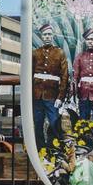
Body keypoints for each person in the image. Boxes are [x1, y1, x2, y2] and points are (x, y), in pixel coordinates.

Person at [31, 23, 68, 151]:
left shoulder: (59, 53)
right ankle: (40, 149)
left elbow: (64, 76)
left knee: (54, 122)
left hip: (52, 95)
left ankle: (55, 147)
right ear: (41, 36)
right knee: (38, 123)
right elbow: (29, 74)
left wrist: (60, 97)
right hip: (36, 94)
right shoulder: (35, 53)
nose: (47, 37)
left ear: (52, 36)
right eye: (45, 34)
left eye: (49, 34)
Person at [74, 26, 93, 126]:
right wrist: (74, 92)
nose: (90, 42)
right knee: (83, 122)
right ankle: (84, 140)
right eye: (88, 39)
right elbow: (75, 76)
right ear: (85, 42)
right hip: (84, 93)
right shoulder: (80, 56)